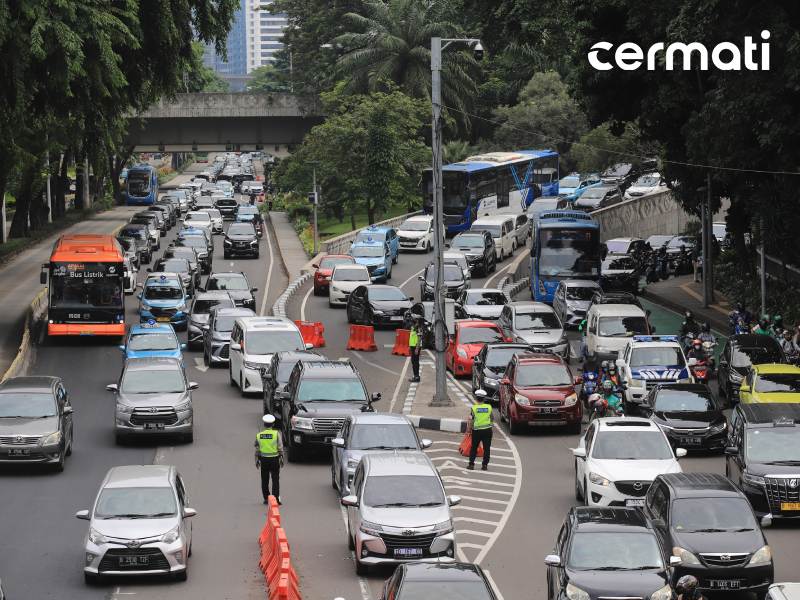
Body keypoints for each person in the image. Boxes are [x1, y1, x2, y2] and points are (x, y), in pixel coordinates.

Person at [254, 414, 283, 505]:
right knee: (275, 479)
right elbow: (280, 447)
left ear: (264, 424)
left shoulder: (259, 435)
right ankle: (275, 499)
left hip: (264, 460)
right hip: (274, 459)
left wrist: (257, 460)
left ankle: (266, 498)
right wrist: (281, 458)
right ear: (273, 424)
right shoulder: (276, 434)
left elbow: (257, 449)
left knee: (265, 479)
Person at [468, 400, 493, 471]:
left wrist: (469, 429)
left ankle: (471, 464)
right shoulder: (489, 407)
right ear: (484, 399)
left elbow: (472, 420)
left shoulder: (474, 408)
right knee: (487, 448)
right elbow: (492, 418)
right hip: (487, 430)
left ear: (476, 399)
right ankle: (485, 465)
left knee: (474, 447)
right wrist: (490, 425)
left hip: (476, 431)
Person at [408, 317, 422, 383]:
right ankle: (415, 375)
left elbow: (419, 339)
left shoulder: (418, 328)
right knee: (413, 362)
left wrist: (417, 348)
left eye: (413, 322)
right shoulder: (413, 328)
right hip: (412, 347)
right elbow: (412, 338)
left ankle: (417, 377)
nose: (411, 323)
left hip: (416, 347)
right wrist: (410, 347)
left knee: (415, 362)